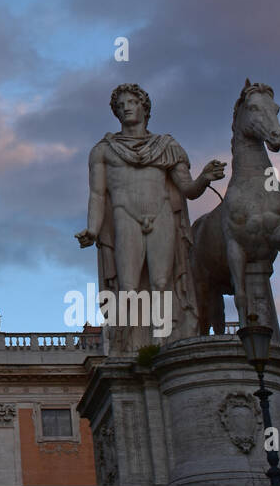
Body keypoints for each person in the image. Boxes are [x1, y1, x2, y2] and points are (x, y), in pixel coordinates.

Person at [77, 84, 225, 351]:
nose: (126, 108)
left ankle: (161, 341)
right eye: (120, 106)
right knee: (128, 286)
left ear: (144, 107)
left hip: (162, 213)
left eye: (131, 102)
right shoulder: (103, 151)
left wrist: (204, 178)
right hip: (125, 216)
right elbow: (98, 195)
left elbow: (188, 190)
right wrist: (93, 229)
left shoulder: (167, 146)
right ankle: (130, 345)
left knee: (161, 283)